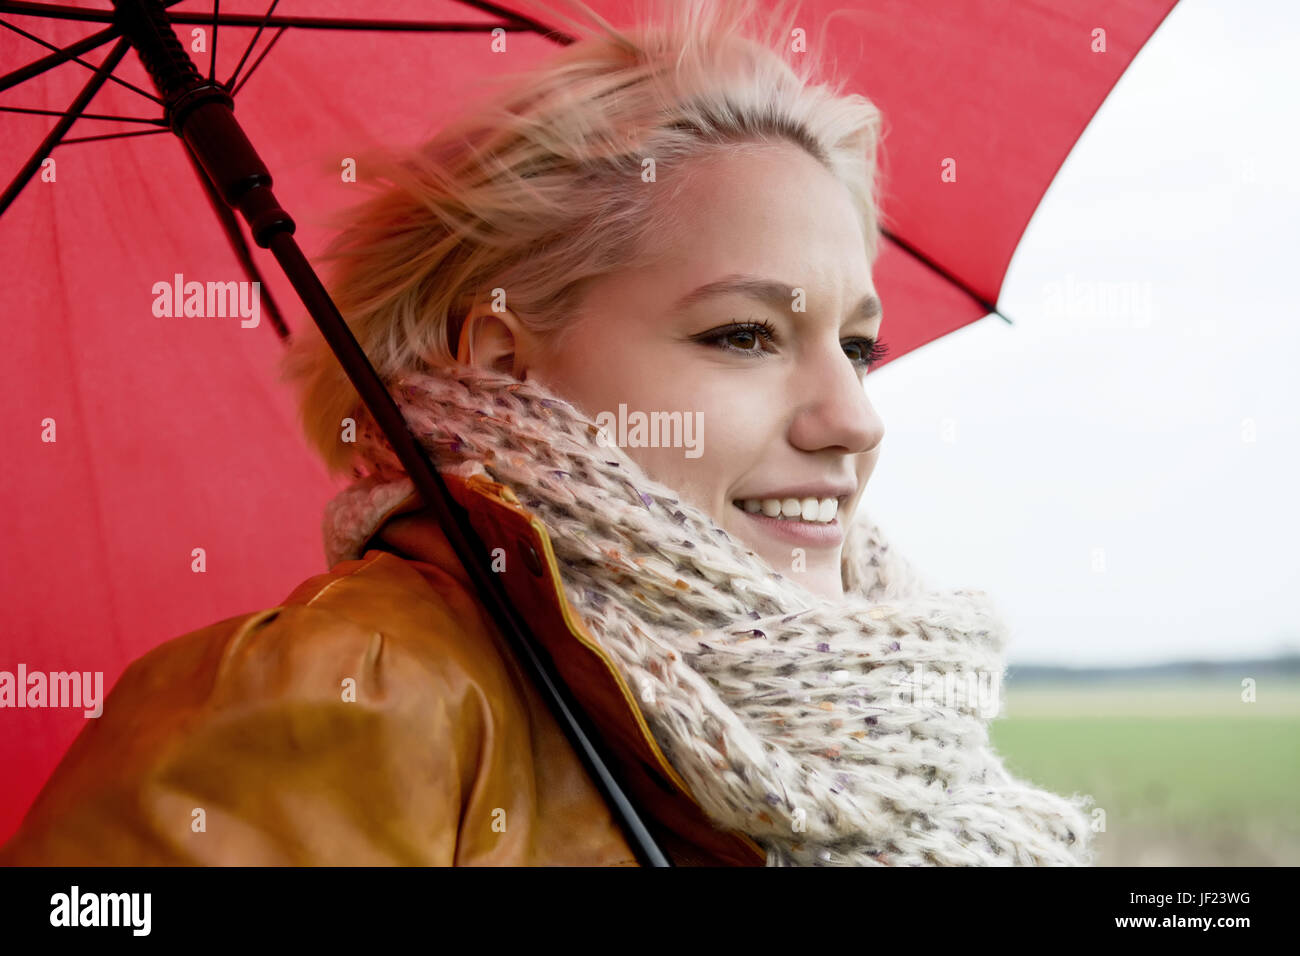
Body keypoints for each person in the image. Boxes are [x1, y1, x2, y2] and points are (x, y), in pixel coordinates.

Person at [0, 0, 1094, 867]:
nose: (854, 418)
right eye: (745, 333)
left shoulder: (870, 729)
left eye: (857, 345)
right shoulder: (356, 694)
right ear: (504, 358)